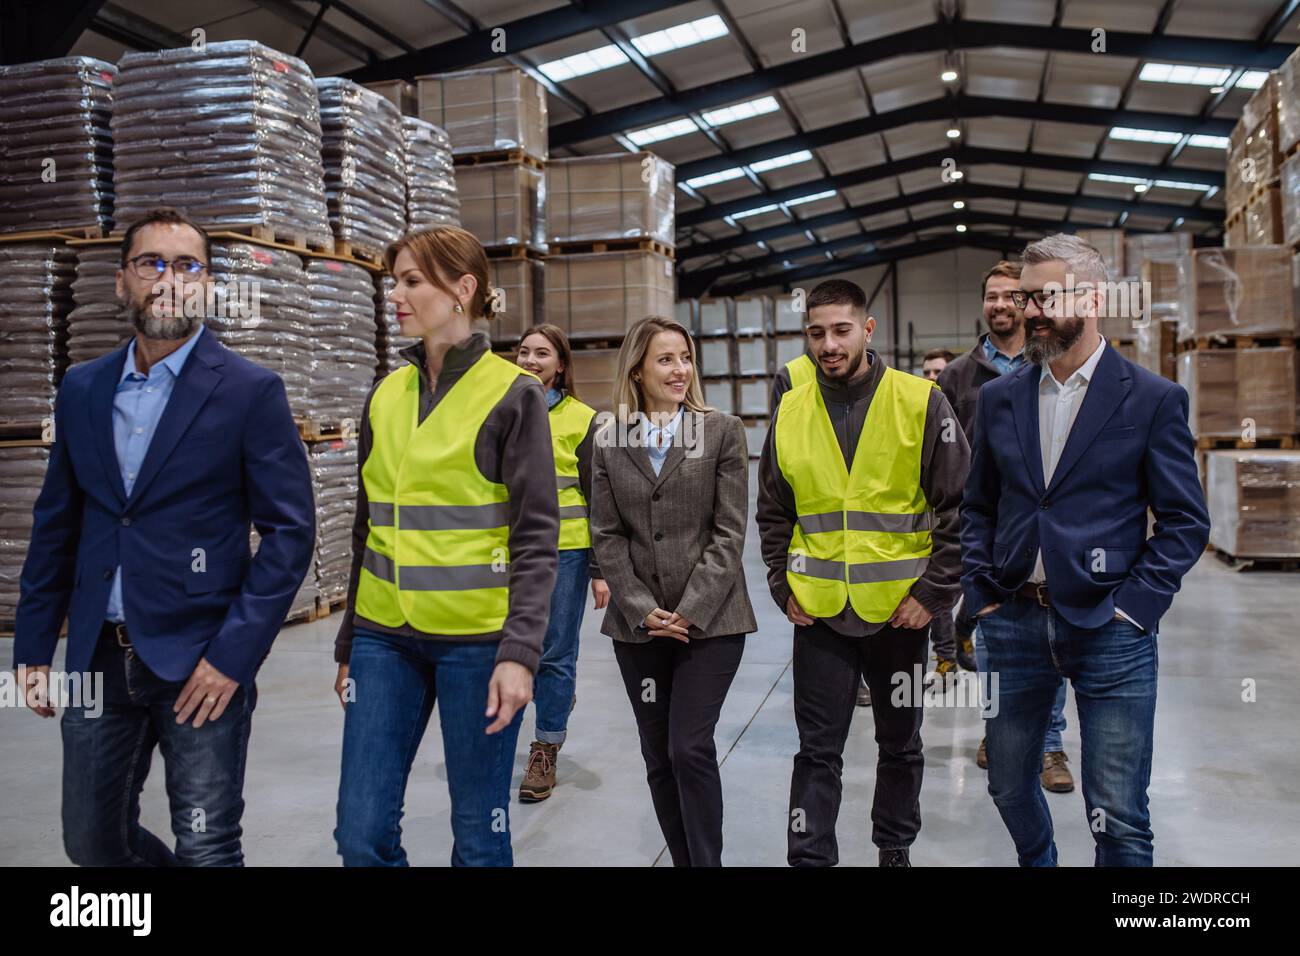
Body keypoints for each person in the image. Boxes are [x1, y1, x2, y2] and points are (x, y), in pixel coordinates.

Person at [13, 207, 317, 866]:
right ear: (123, 281)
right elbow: (56, 520)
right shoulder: (83, 389)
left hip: (201, 662)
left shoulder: (248, 392)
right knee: (93, 843)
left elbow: (291, 533)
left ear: (208, 284)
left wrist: (234, 655)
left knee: (206, 845)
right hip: (97, 656)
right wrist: (32, 649)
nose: (168, 278)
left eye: (187, 265)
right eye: (151, 262)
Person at [961, 234, 1209, 867]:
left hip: (1111, 628)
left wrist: (1136, 608)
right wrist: (982, 593)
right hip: (1012, 620)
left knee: (1119, 812)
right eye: (1026, 297)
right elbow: (979, 506)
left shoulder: (1152, 399)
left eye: (1046, 297)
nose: (1030, 312)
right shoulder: (999, 398)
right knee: (1008, 784)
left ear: (1092, 297)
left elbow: (1183, 521)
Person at [332, 226, 558, 867]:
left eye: (410, 281)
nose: (395, 294)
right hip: (383, 638)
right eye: (393, 281)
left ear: (463, 290)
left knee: (480, 835)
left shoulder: (513, 394)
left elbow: (537, 538)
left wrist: (520, 652)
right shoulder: (385, 393)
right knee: (360, 833)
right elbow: (366, 528)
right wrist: (349, 640)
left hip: (479, 643)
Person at [757, 279, 970, 868]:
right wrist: (780, 582)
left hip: (901, 612)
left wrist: (934, 593)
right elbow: (774, 508)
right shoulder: (791, 407)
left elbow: (962, 507)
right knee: (816, 750)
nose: (828, 343)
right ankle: (810, 857)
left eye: (840, 330)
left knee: (899, 744)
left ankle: (893, 847)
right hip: (820, 610)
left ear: (867, 330)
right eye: (817, 332)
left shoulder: (920, 401)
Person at [590, 315, 756, 866]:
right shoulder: (608, 437)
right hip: (638, 630)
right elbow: (607, 534)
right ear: (637, 369)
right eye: (666, 359)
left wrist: (687, 610)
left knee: (689, 747)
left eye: (685, 358)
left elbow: (730, 532)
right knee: (657, 755)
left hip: (711, 623)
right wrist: (640, 608)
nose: (681, 369)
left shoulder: (722, 430)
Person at [938, 261, 1073, 792]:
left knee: (1052, 638)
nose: (1000, 305)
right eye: (991, 296)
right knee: (993, 641)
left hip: (1041, 528)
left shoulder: (1054, 365)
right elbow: (939, 456)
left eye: (1011, 297)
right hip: (983, 530)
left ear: (1028, 304)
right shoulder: (956, 376)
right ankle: (999, 733)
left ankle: (1050, 743)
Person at [513, 324, 609, 801]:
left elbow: (598, 497)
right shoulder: (499, 412)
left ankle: (545, 746)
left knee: (554, 652)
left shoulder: (583, 420)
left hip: (564, 553)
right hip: (504, 553)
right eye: (524, 352)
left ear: (561, 365)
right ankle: (546, 703)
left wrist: (599, 571)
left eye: (542, 353)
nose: (530, 360)